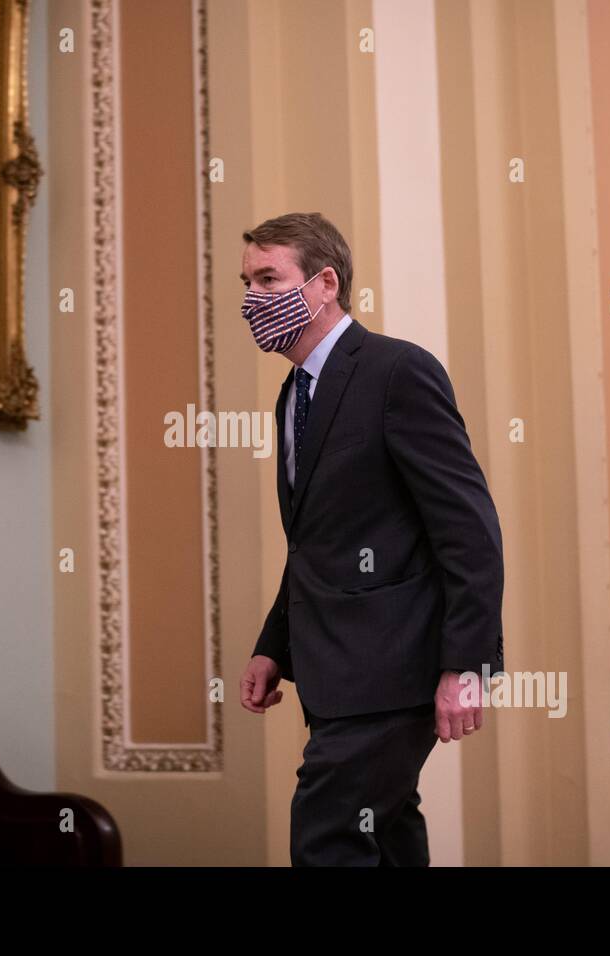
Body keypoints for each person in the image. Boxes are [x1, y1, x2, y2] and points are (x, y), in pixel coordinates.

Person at [237, 212, 505, 866]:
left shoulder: (396, 372)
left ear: (324, 283)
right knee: (384, 836)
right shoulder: (293, 394)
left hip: (392, 670)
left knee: (328, 835)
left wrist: (467, 663)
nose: (252, 299)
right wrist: (275, 647)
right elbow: (317, 541)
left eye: (269, 278)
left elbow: (468, 528)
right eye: (246, 282)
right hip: (333, 673)